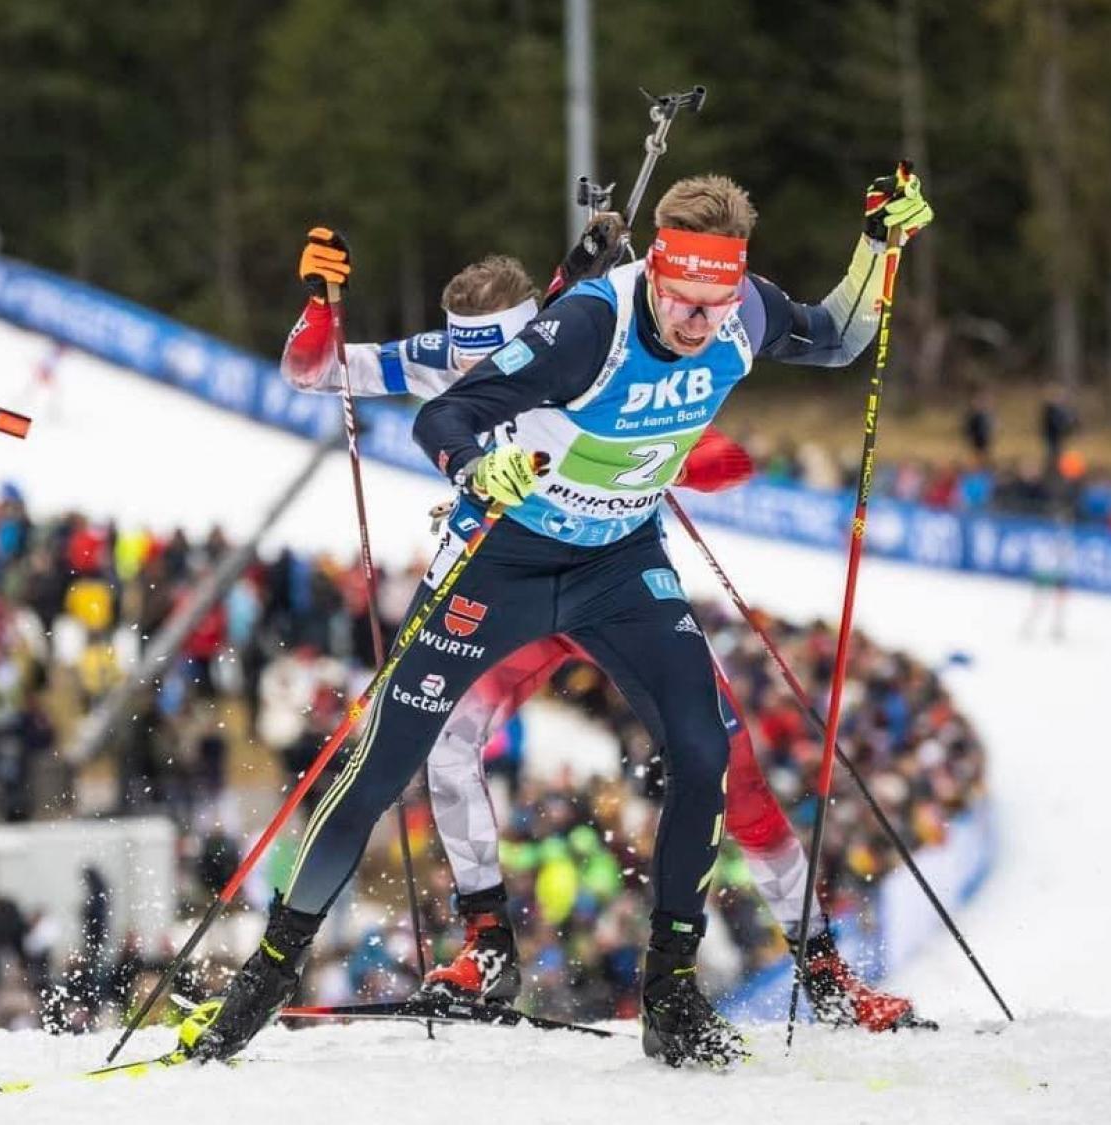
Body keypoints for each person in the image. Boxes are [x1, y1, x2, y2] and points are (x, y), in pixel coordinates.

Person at [182, 169, 934, 1069]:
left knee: (703, 751)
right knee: (387, 759)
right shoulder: (588, 328)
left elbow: (843, 337)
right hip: (504, 560)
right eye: (684, 303)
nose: (700, 326)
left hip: (618, 565)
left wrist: (877, 248)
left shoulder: (745, 312)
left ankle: (673, 994)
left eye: (716, 305)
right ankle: (263, 980)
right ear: (655, 269)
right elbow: (446, 411)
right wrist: (472, 466)